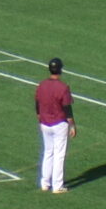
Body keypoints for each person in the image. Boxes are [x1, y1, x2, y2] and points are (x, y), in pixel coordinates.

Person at [35, 56, 75, 193]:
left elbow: (37, 104)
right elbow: (67, 108)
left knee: (48, 152)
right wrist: (73, 125)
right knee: (59, 155)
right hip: (59, 123)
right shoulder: (63, 87)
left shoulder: (42, 85)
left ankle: (45, 183)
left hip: (45, 123)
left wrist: (40, 119)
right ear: (60, 70)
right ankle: (57, 186)